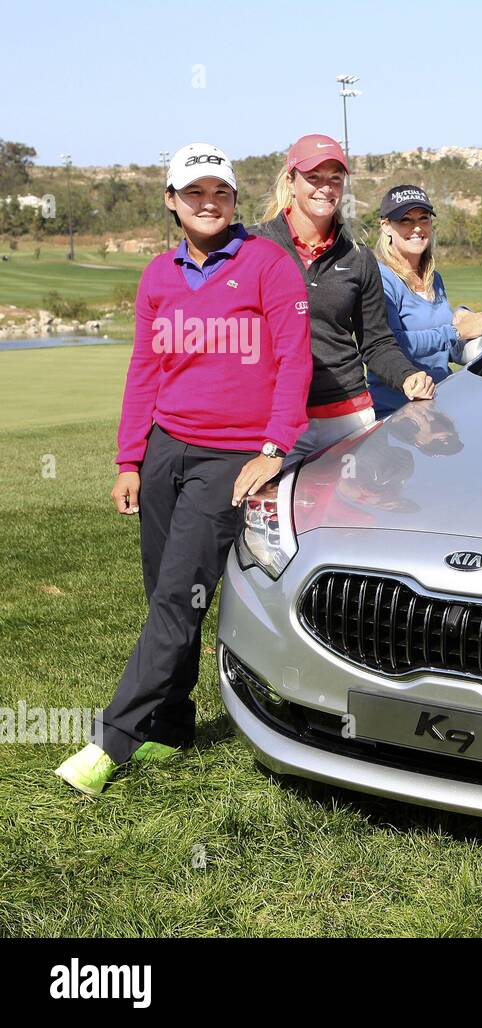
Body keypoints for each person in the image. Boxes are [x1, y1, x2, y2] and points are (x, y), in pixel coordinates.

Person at [54, 143, 313, 795]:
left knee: (177, 597)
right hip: (167, 448)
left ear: (232, 200)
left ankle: (110, 741)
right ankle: (171, 726)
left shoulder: (266, 265)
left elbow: (294, 361)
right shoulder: (157, 277)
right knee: (164, 596)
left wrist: (273, 449)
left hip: (231, 459)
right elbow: (145, 371)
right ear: (171, 200)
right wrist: (129, 459)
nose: (208, 203)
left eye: (219, 192)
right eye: (193, 192)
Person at [249, 135, 435, 466]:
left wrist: (407, 376)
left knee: (349, 515)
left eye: (335, 178)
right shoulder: (254, 245)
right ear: (291, 182)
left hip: (348, 415)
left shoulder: (358, 257)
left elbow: (376, 342)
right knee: (275, 515)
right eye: (314, 177)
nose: (326, 187)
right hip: (276, 418)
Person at [369, 184, 482, 417]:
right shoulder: (381, 278)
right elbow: (391, 346)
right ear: (386, 226)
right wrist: (456, 331)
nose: (417, 228)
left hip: (438, 406)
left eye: (423, 218)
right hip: (397, 413)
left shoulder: (433, 277)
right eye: (405, 220)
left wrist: (462, 314)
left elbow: (441, 349)